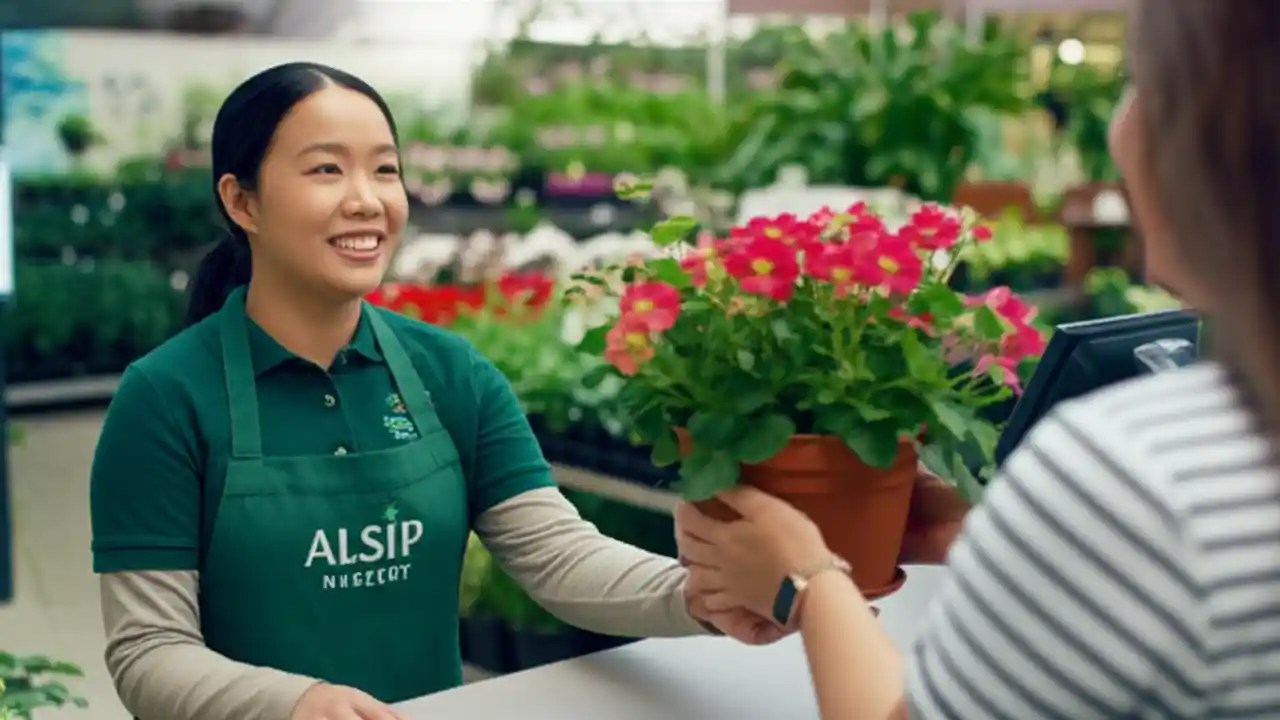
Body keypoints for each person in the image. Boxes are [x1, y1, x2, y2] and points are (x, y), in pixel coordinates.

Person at [88, 62, 779, 720]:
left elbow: (558, 557)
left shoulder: (450, 372)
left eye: (385, 169)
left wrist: (696, 596)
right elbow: (150, 651)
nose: (367, 199)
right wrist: (291, 704)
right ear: (242, 201)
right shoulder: (165, 399)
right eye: (326, 169)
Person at [678, 2, 1280, 718]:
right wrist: (998, 533)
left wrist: (805, 583)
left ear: (1204, 140)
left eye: (1137, 82)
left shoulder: (1142, 476)